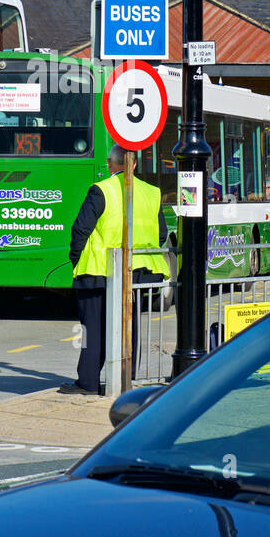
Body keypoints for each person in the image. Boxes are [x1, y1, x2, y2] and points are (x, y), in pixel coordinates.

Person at [63, 145, 169, 395]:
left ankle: (87, 382)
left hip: (98, 270)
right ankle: (126, 379)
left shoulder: (100, 190)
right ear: (133, 164)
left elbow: (80, 230)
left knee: (91, 326)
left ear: (111, 164)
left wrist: (77, 260)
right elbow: (162, 234)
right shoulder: (152, 193)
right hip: (138, 270)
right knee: (128, 325)